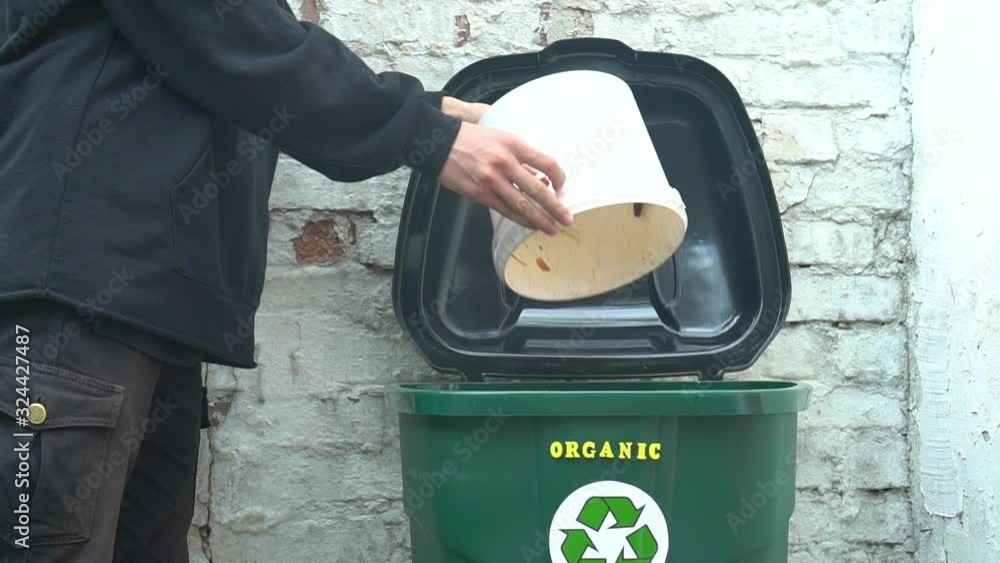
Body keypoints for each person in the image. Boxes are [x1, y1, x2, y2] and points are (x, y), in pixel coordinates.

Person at [0, 1, 571, 561]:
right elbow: (234, 34)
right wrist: (422, 130)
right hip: (67, 297)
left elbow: (234, 50)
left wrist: (429, 115)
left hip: (149, 308)